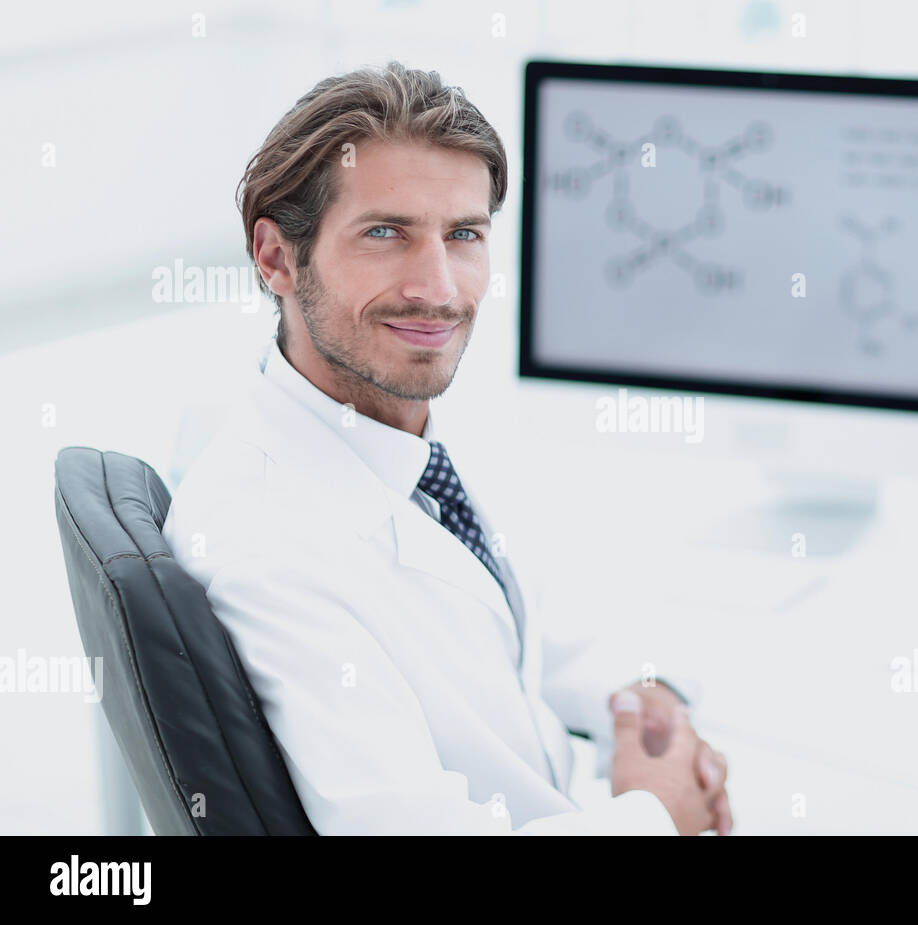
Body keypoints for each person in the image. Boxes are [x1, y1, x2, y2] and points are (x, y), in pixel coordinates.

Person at [162, 61, 732, 835]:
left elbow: (511, 627)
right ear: (275, 257)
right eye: (385, 233)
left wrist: (647, 691)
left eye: (463, 235)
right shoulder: (268, 551)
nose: (437, 287)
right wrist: (658, 816)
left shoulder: (395, 432)